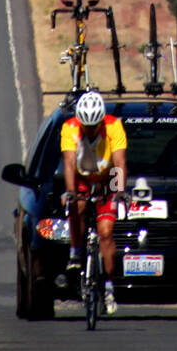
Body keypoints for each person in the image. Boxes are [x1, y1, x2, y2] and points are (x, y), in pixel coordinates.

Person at [61, 91, 126, 315]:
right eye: (85, 126)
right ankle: (76, 251)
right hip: (81, 178)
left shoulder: (114, 126)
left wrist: (119, 191)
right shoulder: (69, 128)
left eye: (94, 126)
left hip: (106, 181)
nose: (89, 131)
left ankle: (108, 286)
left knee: (106, 232)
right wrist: (70, 192)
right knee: (76, 205)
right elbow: (69, 163)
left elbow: (119, 161)